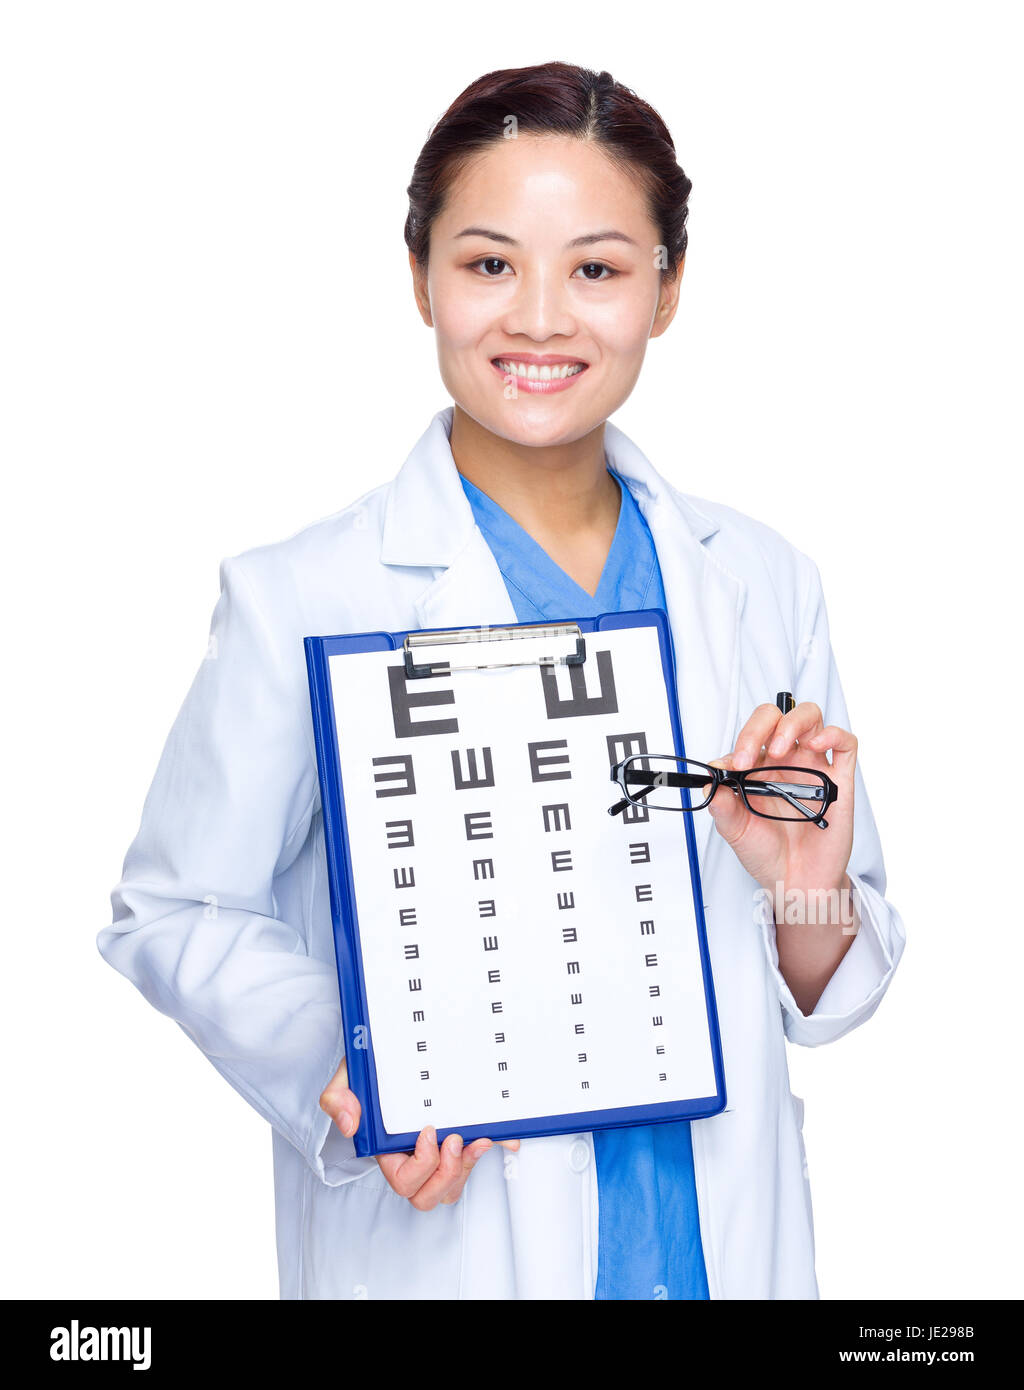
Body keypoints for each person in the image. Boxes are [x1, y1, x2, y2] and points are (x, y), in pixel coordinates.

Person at [97, 61, 906, 1300]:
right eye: (487, 264)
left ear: (668, 288)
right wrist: (345, 1063)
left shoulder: (755, 578)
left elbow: (825, 997)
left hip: (718, 1255)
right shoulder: (306, 592)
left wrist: (805, 884)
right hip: (451, 1248)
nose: (538, 319)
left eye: (596, 268)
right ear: (418, 275)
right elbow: (173, 907)